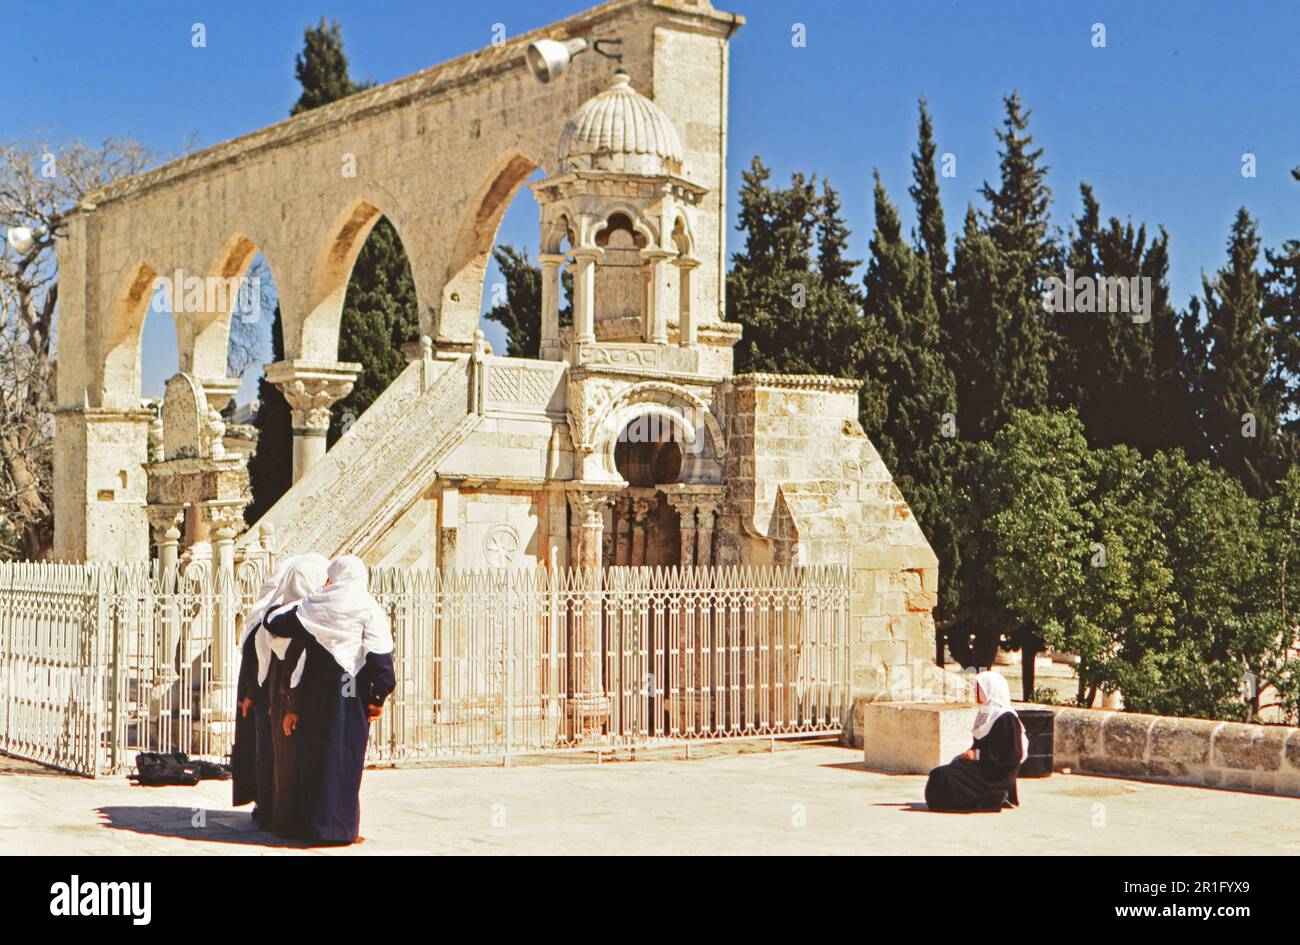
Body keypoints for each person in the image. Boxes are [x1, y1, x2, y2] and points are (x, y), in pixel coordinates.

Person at [264, 554, 395, 844]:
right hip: (350, 693)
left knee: (316, 755)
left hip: (314, 692)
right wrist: (377, 698)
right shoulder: (368, 606)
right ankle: (340, 828)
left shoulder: (315, 604)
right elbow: (381, 660)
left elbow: (274, 623)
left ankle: (315, 825)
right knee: (344, 758)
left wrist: (277, 600)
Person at [230, 553, 328, 831]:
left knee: (273, 756)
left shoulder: (274, 613)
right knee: (286, 760)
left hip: (271, 696)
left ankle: (270, 809)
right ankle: (286, 817)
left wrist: (253, 691)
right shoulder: (300, 616)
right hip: (285, 698)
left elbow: (256, 656)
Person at [923, 671, 1029, 813]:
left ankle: (993, 797)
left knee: (943, 777)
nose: (975, 692)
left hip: (994, 775)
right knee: (939, 774)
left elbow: (1011, 755)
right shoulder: (986, 714)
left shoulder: (1006, 717)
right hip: (983, 768)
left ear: (990, 690)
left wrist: (977, 755)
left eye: (979, 688)